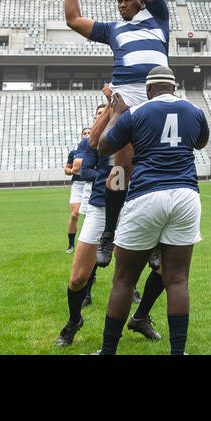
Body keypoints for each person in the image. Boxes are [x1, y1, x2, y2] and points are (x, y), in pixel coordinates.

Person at [62, 0, 169, 269]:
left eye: (126, 1)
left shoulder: (158, 19)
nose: (121, 5)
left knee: (155, 172)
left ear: (141, 3)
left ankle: (153, 240)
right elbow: (73, 20)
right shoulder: (112, 30)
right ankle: (110, 232)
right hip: (125, 102)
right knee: (120, 172)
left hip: (156, 99)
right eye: (118, 2)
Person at [94, 66, 208, 356]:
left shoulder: (138, 113)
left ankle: (108, 352)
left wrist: (116, 116)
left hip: (147, 194)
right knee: (178, 279)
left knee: (124, 279)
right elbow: (201, 142)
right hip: (185, 195)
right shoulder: (194, 111)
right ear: (174, 87)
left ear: (148, 90)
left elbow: (104, 147)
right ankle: (178, 353)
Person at [57, 93, 166, 348]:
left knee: (162, 269)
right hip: (100, 205)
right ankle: (74, 320)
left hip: (137, 204)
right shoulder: (94, 138)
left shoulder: (137, 125)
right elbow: (84, 168)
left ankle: (140, 317)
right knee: (78, 278)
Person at [64, 126, 93, 252]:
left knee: (90, 215)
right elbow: (67, 169)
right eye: (84, 133)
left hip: (91, 183)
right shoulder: (74, 152)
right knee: (74, 214)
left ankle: (90, 243)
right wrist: (71, 171)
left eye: (89, 133)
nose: (87, 134)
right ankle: (71, 244)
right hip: (78, 185)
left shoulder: (95, 149)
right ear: (81, 136)